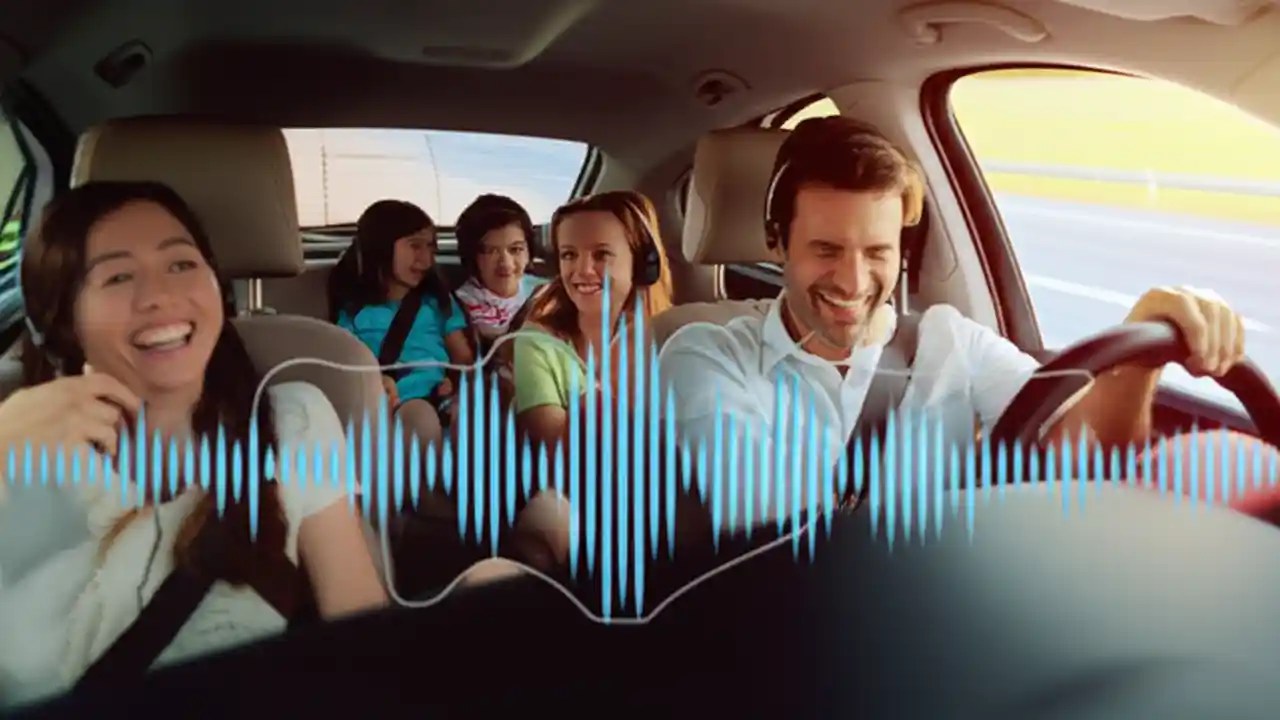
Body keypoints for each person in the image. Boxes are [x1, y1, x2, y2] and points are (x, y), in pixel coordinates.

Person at [658, 115, 1248, 532]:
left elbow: (1085, 458)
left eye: (877, 252)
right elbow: (779, 535)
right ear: (776, 242)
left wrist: (1136, 361)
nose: (854, 281)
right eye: (826, 249)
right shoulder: (705, 354)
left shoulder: (952, 342)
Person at [0, 181, 387, 705]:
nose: (159, 296)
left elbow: (365, 646)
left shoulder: (291, 422)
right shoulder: (15, 453)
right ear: (62, 323)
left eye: (181, 264)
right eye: (118, 276)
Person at [507, 190, 673, 570]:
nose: (581, 270)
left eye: (601, 255)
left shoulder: (673, 336)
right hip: (573, 497)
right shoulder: (537, 341)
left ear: (643, 264)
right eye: (569, 255)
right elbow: (558, 456)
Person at [328, 200, 474, 434]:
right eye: (415, 246)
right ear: (381, 247)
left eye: (431, 248)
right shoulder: (354, 310)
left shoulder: (437, 302)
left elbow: (464, 360)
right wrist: (375, 381)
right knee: (414, 421)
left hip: (435, 398)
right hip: (382, 404)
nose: (426, 260)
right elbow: (346, 364)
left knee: (451, 419)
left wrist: (456, 385)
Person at [453, 194, 547, 344]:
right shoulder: (462, 304)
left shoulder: (545, 290)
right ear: (472, 256)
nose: (505, 263)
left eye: (516, 249)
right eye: (490, 251)